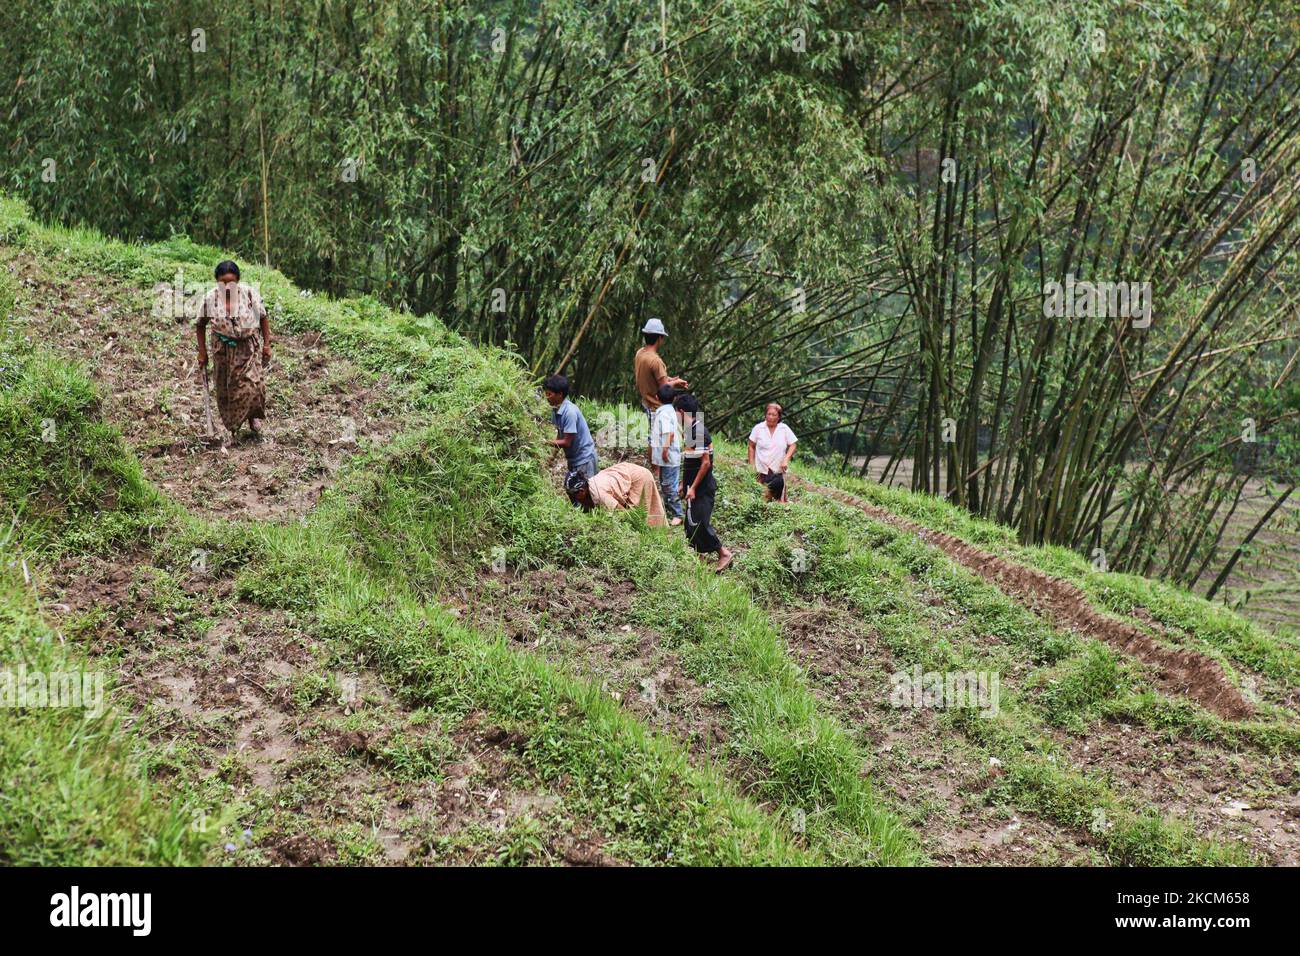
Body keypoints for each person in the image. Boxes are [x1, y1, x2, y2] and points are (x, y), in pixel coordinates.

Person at [196, 260, 271, 441]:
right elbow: (200, 325)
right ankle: (234, 427)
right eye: (222, 282)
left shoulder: (249, 294)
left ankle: (252, 418)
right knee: (227, 389)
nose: (227, 286)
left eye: (231, 282)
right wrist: (202, 351)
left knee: (254, 385)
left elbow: (263, 317)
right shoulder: (210, 299)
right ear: (217, 281)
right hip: (222, 351)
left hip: (248, 348)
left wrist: (267, 344)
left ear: (237, 280)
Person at [674, 392, 734, 572]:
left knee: (700, 524)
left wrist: (692, 487)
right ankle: (699, 559)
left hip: (702, 488)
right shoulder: (690, 430)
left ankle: (723, 553)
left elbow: (706, 463)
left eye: (676, 412)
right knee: (690, 524)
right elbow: (691, 461)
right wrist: (683, 484)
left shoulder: (697, 431)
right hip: (694, 487)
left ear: (682, 412)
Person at [565, 462, 667, 527]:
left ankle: (654, 542)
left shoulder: (599, 494)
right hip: (626, 473)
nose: (573, 499)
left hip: (638, 478)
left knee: (639, 518)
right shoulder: (589, 487)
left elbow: (621, 512)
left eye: (573, 496)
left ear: (581, 491)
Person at [633, 318, 689, 434]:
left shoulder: (640, 353)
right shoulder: (656, 361)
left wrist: (669, 379)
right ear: (659, 338)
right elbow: (665, 390)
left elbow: (651, 377)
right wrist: (676, 382)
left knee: (652, 439)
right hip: (657, 407)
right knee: (662, 441)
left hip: (646, 402)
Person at [543, 374, 598, 479]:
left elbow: (567, 442)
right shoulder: (556, 410)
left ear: (559, 394)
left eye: (549, 394)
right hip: (574, 460)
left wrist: (544, 441)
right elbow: (560, 436)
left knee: (586, 492)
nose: (547, 397)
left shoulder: (569, 412)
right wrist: (551, 458)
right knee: (575, 492)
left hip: (584, 459)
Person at [649, 383, 684, 526]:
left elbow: (668, 434)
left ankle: (678, 513)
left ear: (657, 397)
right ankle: (666, 508)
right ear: (674, 398)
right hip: (668, 456)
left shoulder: (663, 413)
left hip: (668, 456)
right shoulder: (670, 411)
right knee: (666, 484)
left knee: (669, 485)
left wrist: (664, 451)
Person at [748, 402, 797, 503]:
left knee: (779, 500)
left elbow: (793, 445)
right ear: (765, 415)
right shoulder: (758, 428)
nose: (770, 417)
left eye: (774, 415)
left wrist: (786, 459)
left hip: (777, 471)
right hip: (761, 470)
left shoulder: (784, 429)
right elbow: (751, 446)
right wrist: (751, 465)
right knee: (761, 498)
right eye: (768, 414)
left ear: (779, 417)